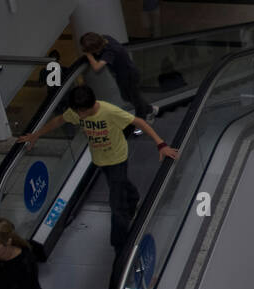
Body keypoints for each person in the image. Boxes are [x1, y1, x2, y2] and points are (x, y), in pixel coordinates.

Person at [16, 85, 178, 252]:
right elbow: (59, 120)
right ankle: (133, 197)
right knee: (120, 184)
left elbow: (139, 122)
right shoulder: (77, 111)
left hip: (117, 158)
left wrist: (161, 145)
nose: (79, 117)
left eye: (81, 113)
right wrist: (36, 135)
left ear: (91, 106)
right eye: (77, 112)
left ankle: (120, 246)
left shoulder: (109, 112)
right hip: (100, 159)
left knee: (116, 204)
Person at [80, 32, 156, 124]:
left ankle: (141, 121)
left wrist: (89, 55)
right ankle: (150, 109)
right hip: (123, 75)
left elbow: (97, 67)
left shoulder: (109, 52)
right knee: (126, 97)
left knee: (135, 98)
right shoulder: (105, 37)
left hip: (130, 75)